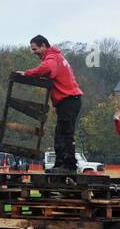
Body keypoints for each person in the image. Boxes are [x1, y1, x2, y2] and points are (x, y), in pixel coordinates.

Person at [17, 35, 83, 172]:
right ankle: (60, 164)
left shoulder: (51, 57)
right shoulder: (56, 56)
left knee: (65, 133)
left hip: (69, 100)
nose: (34, 52)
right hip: (69, 100)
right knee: (60, 133)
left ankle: (69, 165)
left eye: (35, 49)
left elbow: (48, 69)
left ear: (43, 46)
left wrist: (27, 73)